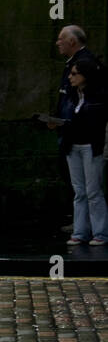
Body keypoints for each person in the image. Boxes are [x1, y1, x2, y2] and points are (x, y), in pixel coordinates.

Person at [60, 59, 108, 245]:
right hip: (73, 145)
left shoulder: (99, 97)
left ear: (85, 75)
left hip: (91, 146)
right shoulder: (71, 96)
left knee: (93, 191)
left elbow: (95, 121)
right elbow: (67, 116)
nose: (70, 77)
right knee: (79, 191)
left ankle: (100, 233)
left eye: (74, 74)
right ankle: (80, 232)